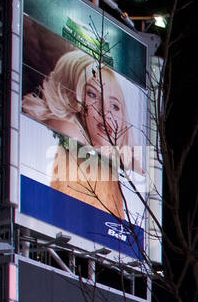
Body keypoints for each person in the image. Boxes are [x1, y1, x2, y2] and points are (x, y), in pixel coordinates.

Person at [21, 49, 143, 221]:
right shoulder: (67, 129)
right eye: (92, 94)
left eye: (115, 106)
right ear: (74, 97)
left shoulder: (113, 169)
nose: (105, 111)